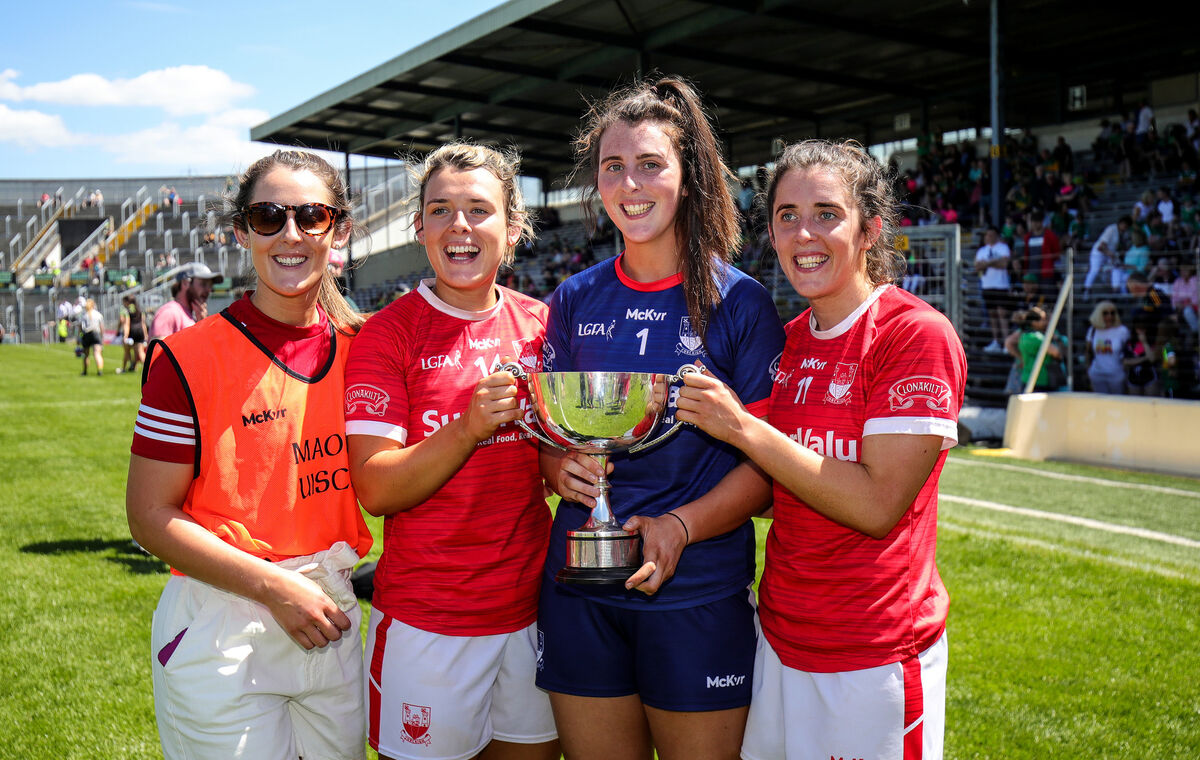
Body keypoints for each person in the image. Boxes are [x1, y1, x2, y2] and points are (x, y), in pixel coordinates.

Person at [672, 138, 965, 760]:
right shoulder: (790, 341)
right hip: (779, 638)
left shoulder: (913, 335)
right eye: (787, 216)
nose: (804, 233)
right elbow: (779, 490)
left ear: (870, 230)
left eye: (826, 214)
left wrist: (742, 428)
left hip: (871, 653)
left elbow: (876, 506)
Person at [536, 76, 786, 760]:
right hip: (580, 587)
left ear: (688, 175)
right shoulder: (573, 299)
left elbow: (768, 468)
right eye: (613, 166)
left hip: (696, 592)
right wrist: (560, 472)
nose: (630, 183)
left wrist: (682, 526)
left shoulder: (740, 303)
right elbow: (551, 439)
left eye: (650, 164)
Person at [125, 149, 373, 760]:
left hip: (332, 611)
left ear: (338, 229)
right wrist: (272, 587)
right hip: (224, 621)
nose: (290, 234)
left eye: (311, 216)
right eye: (268, 217)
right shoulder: (185, 357)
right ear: (242, 232)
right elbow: (149, 516)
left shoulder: (367, 350)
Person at [344, 142, 559, 760]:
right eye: (440, 210)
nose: (459, 225)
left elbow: (546, 457)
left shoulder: (543, 326)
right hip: (429, 623)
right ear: (420, 228)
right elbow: (376, 487)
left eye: (478, 209)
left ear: (513, 229)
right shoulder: (388, 334)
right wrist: (466, 428)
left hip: (533, 612)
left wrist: (571, 467)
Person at [148, 261, 223, 339]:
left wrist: (202, 325)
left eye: (210, 286)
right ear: (185, 283)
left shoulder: (192, 315)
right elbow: (157, 346)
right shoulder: (169, 313)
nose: (208, 290)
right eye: (203, 284)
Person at [974, 225, 1012, 353]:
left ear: (996, 236)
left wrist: (987, 263)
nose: (988, 237)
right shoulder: (982, 250)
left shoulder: (1003, 247)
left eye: (991, 234)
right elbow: (977, 267)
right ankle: (996, 341)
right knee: (992, 315)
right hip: (987, 286)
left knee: (1002, 314)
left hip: (1001, 286)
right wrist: (995, 262)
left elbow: (1004, 264)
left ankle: (1006, 342)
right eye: (987, 235)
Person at [1010, 306, 1066, 391]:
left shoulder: (1023, 335)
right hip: (1040, 380)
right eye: (1043, 319)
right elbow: (1056, 353)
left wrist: (1021, 359)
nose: (1046, 322)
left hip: (1027, 378)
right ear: (1034, 322)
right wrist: (1057, 339)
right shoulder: (1037, 338)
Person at [1085, 301, 1130, 394]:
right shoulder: (1093, 330)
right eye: (1105, 313)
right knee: (1099, 402)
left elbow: (1129, 352)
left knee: (1117, 402)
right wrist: (1088, 371)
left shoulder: (1122, 331)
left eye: (1112, 313)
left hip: (1116, 375)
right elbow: (1088, 352)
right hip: (1097, 374)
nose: (1109, 316)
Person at [1084, 215, 1130, 295]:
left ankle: (1116, 289)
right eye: (1125, 226)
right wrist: (1110, 253)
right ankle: (1086, 289)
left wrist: (1111, 255)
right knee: (1095, 270)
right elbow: (1101, 247)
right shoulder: (1111, 229)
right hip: (1098, 253)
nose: (1125, 228)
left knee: (1116, 267)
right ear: (1121, 223)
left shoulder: (1121, 233)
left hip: (1109, 254)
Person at [116, 294, 148, 374]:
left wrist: (125, 336)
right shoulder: (140, 309)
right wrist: (145, 335)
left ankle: (123, 369)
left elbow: (126, 324)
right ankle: (148, 370)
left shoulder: (125, 310)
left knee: (127, 351)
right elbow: (143, 323)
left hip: (131, 332)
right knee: (140, 352)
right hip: (140, 331)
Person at [78, 298, 105, 376]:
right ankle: (100, 370)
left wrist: (79, 337)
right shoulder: (98, 314)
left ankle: (85, 371)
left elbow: (80, 328)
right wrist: (102, 337)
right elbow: (102, 327)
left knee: (86, 355)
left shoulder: (83, 315)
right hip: (96, 334)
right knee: (97, 353)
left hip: (86, 334)